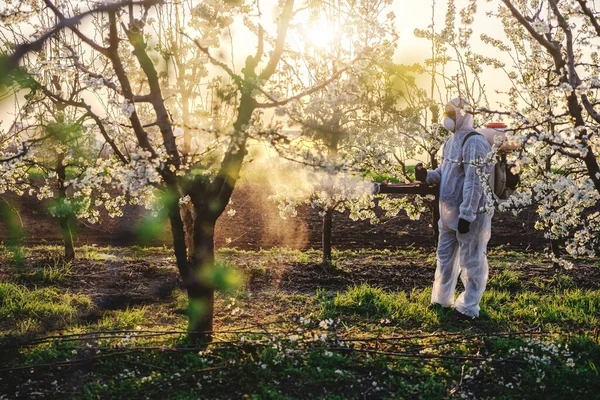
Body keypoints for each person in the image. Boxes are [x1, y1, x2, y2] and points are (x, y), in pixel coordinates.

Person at [415, 97, 493, 319]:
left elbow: (474, 181)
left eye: (451, 114)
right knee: (445, 260)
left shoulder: (474, 142)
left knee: (471, 261)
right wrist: (426, 175)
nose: (447, 119)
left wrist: (467, 214)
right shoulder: (450, 142)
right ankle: (441, 300)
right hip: (448, 214)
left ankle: (469, 308)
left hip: (470, 216)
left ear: (463, 115)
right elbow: (444, 174)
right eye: (446, 114)